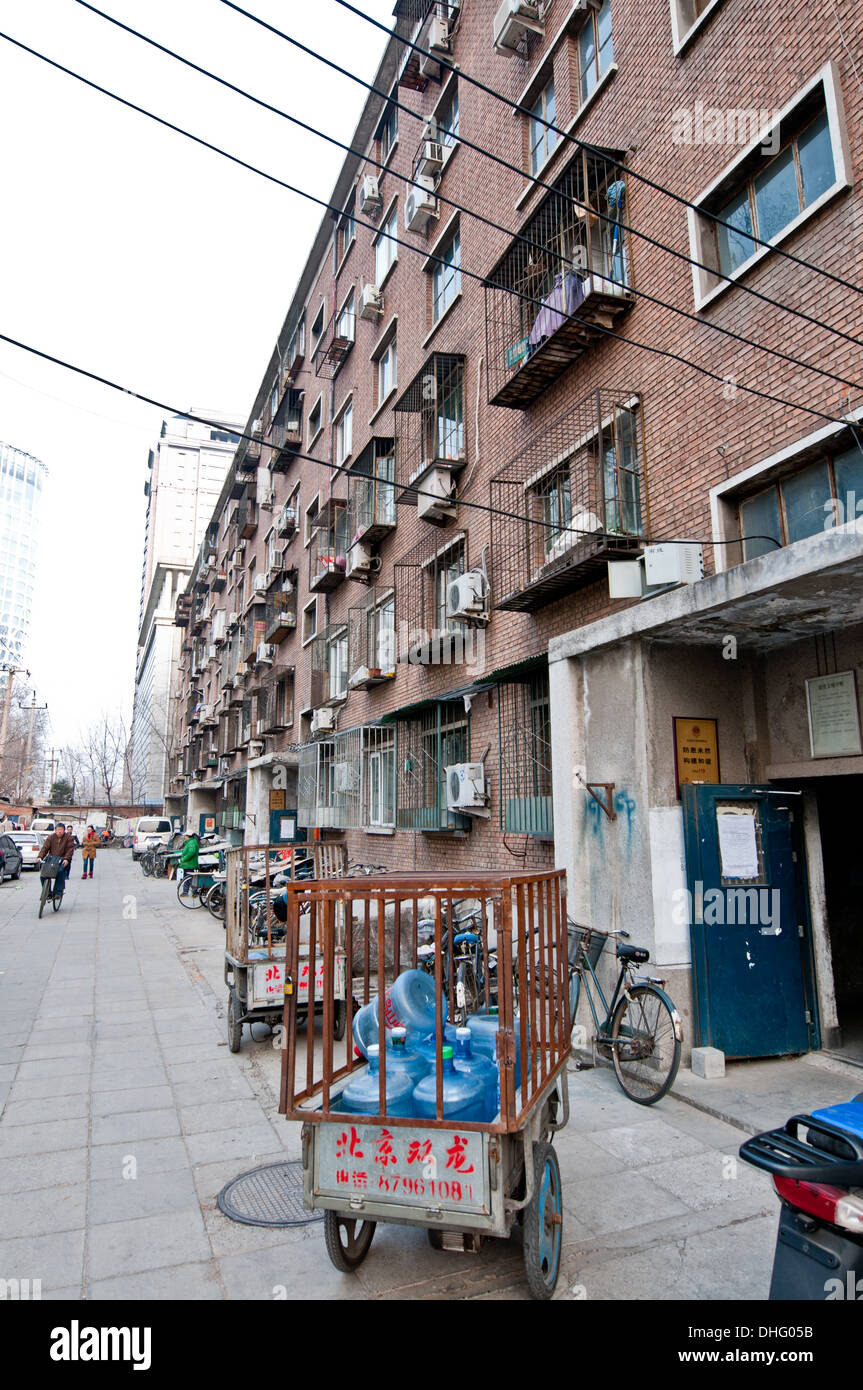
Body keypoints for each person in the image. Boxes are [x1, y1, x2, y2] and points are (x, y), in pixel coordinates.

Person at [37, 822, 75, 900]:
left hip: (62, 859)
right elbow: (45, 848)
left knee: (60, 872)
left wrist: (66, 859)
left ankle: (58, 892)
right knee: (43, 874)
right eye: (58, 830)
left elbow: (70, 850)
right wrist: (40, 857)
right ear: (55, 830)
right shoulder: (51, 837)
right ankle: (47, 893)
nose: (59, 832)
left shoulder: (68, 838)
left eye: (61, 830)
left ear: (64, 830)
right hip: (51, 859)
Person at [178, 832, 200, 896]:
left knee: (188, 878)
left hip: (189, 864)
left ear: (188, 836)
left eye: (185, 836)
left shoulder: (192, 843)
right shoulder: (190, 842)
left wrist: (184, 858)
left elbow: (191, 852)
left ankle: (186, 892)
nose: (184, 837)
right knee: (188, 878)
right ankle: (191, 892)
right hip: (188, 864)